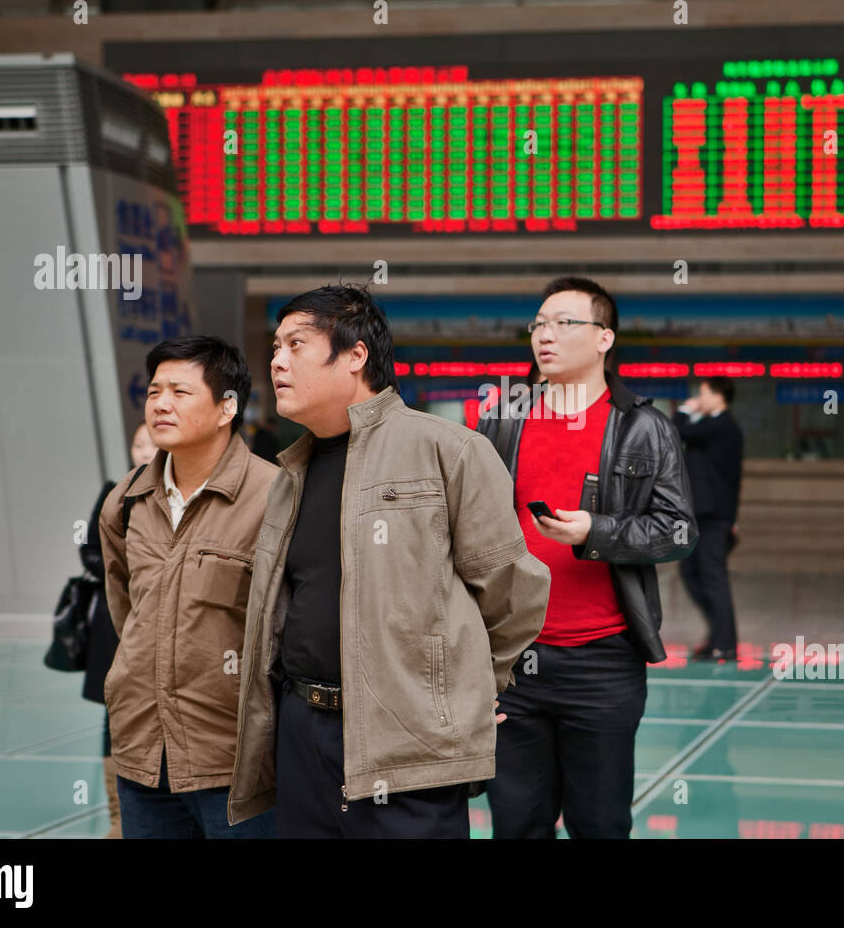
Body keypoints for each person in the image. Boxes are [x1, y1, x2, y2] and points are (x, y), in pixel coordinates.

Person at [228, 283, 550, 838]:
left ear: (356, 355)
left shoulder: (449, 450)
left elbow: (513, 594)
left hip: (405, 741)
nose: (277, 361)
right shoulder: (289, 474)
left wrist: (464, 690)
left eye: (296, 345)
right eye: (275, 347)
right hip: (303, 732)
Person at [477, 275, 699, 838]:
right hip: (510, 660)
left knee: (598, 824)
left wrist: (596, 531)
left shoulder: (644, 428)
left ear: (605, 338)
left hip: (602, 661)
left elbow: (677, 532)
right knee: (516, 823)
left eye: (564, 324)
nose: (544, 336)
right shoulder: (503, 419)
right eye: (538, 325)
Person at [98, 336, 279, 838]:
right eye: (155, 391)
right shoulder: (127, 499)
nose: (160, 404)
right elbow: (127, 610)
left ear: (227, 408)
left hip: (237, 765)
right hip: (142, 755)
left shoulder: (276, 496)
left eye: (180, 392)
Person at [80, 423, 156, 838]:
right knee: (117, 716)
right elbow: (90, 551)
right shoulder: (115, 492)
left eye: (151, 443)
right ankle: (117, 820)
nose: (143, 450)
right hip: (116, 626)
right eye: (138, 443)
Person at [674, 377, 744, 662]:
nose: (698, 399)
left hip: (714, 516)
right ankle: (717, 634)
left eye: (702, 394)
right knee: (691, 572)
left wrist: (684, 410)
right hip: (700, 514)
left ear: (718, 397)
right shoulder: (712, 427)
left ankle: (725, 643)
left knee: (713, 577)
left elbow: (678, 430)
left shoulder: (721, 426)